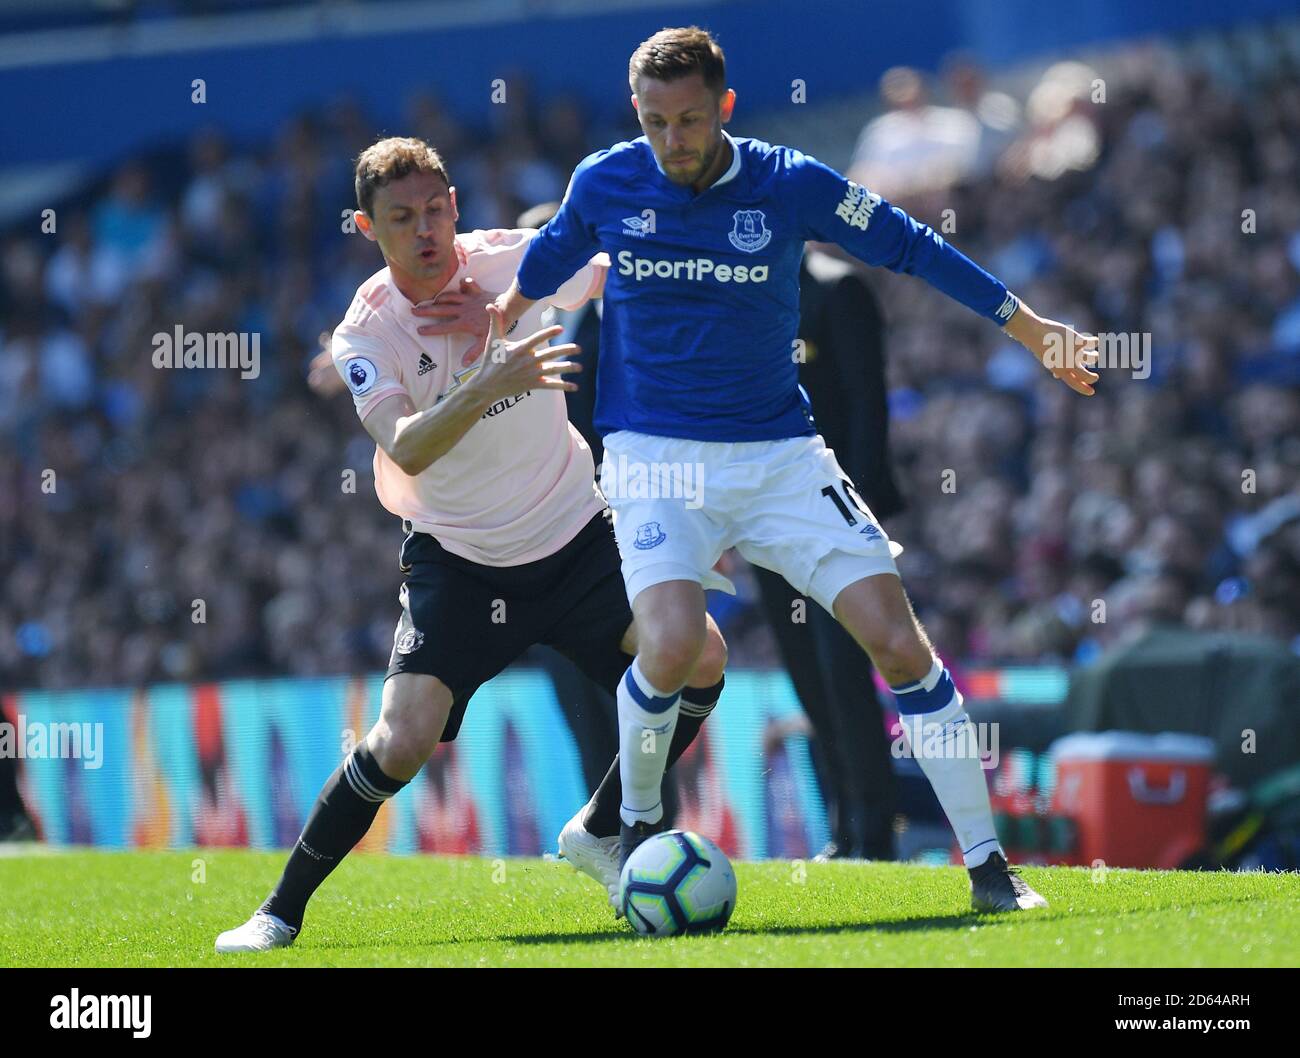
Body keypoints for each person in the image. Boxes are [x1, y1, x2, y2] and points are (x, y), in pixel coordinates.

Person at [493, 27, 1101, 912]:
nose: (674, 140)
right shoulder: (603, 183)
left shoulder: (789, 183)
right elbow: (531, 275)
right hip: (654, 456)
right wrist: (480, 348)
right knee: (668, 645)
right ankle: (626, 836)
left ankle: (988, 870)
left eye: (691, 120)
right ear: (637, 115)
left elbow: (912, 246)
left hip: (780, 455)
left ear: (725, 108)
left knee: (898, 642)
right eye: (657, 122)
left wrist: (1031, 325)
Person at [215, 137, 727, 952]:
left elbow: (637, 271)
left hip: (575, 534)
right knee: (403, 737)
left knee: (700, 654)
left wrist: (508, 309)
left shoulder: (512, 263)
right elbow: (407, 445)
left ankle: (598, 827)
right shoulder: (365, 334)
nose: (426, 231)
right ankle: (279, 911)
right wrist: (488, 377)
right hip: (460, 558)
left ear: (456, 202)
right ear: (365, 226)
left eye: (436, 209)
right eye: (401, 218)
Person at [752, 249, 903, 861]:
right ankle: (843, 826)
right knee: (807, 673)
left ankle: (873, 830)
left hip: (834, 518)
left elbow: (869, 406)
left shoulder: (840, 292)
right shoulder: (750, 299)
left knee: (843, 670)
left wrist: (856, 514)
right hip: (767, 517)